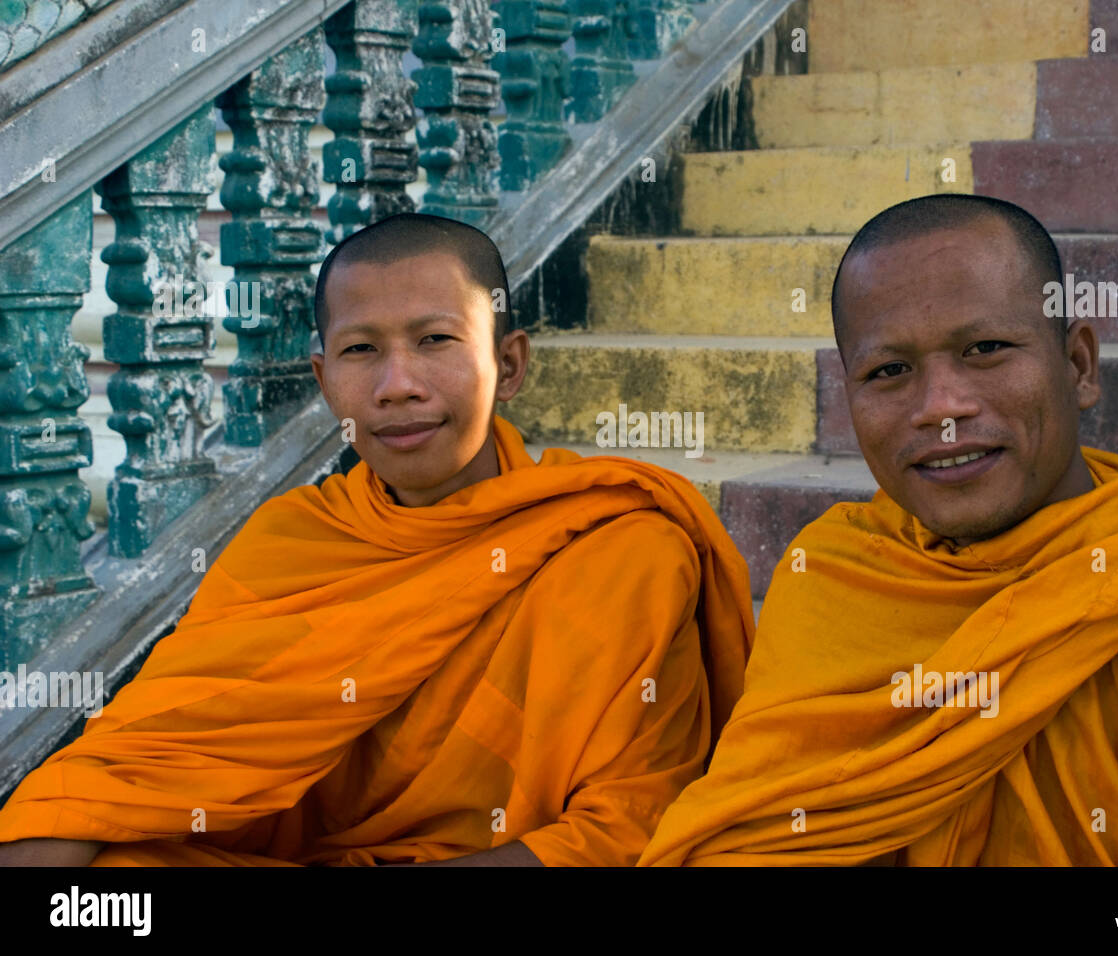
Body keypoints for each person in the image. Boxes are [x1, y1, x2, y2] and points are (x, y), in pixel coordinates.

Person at [0, 213, 753, 867]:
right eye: (362, 351)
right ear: (327, 384)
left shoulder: (622, 549)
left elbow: (630, 828)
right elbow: (134, 768)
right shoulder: (291, 544)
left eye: (435, 340)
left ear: (510, 364)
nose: (398, 385)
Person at [639, 194, 1118, 866]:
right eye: (889, 371)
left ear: (1079, 367)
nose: (942, 409)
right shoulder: (838, 576)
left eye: (985, 348)